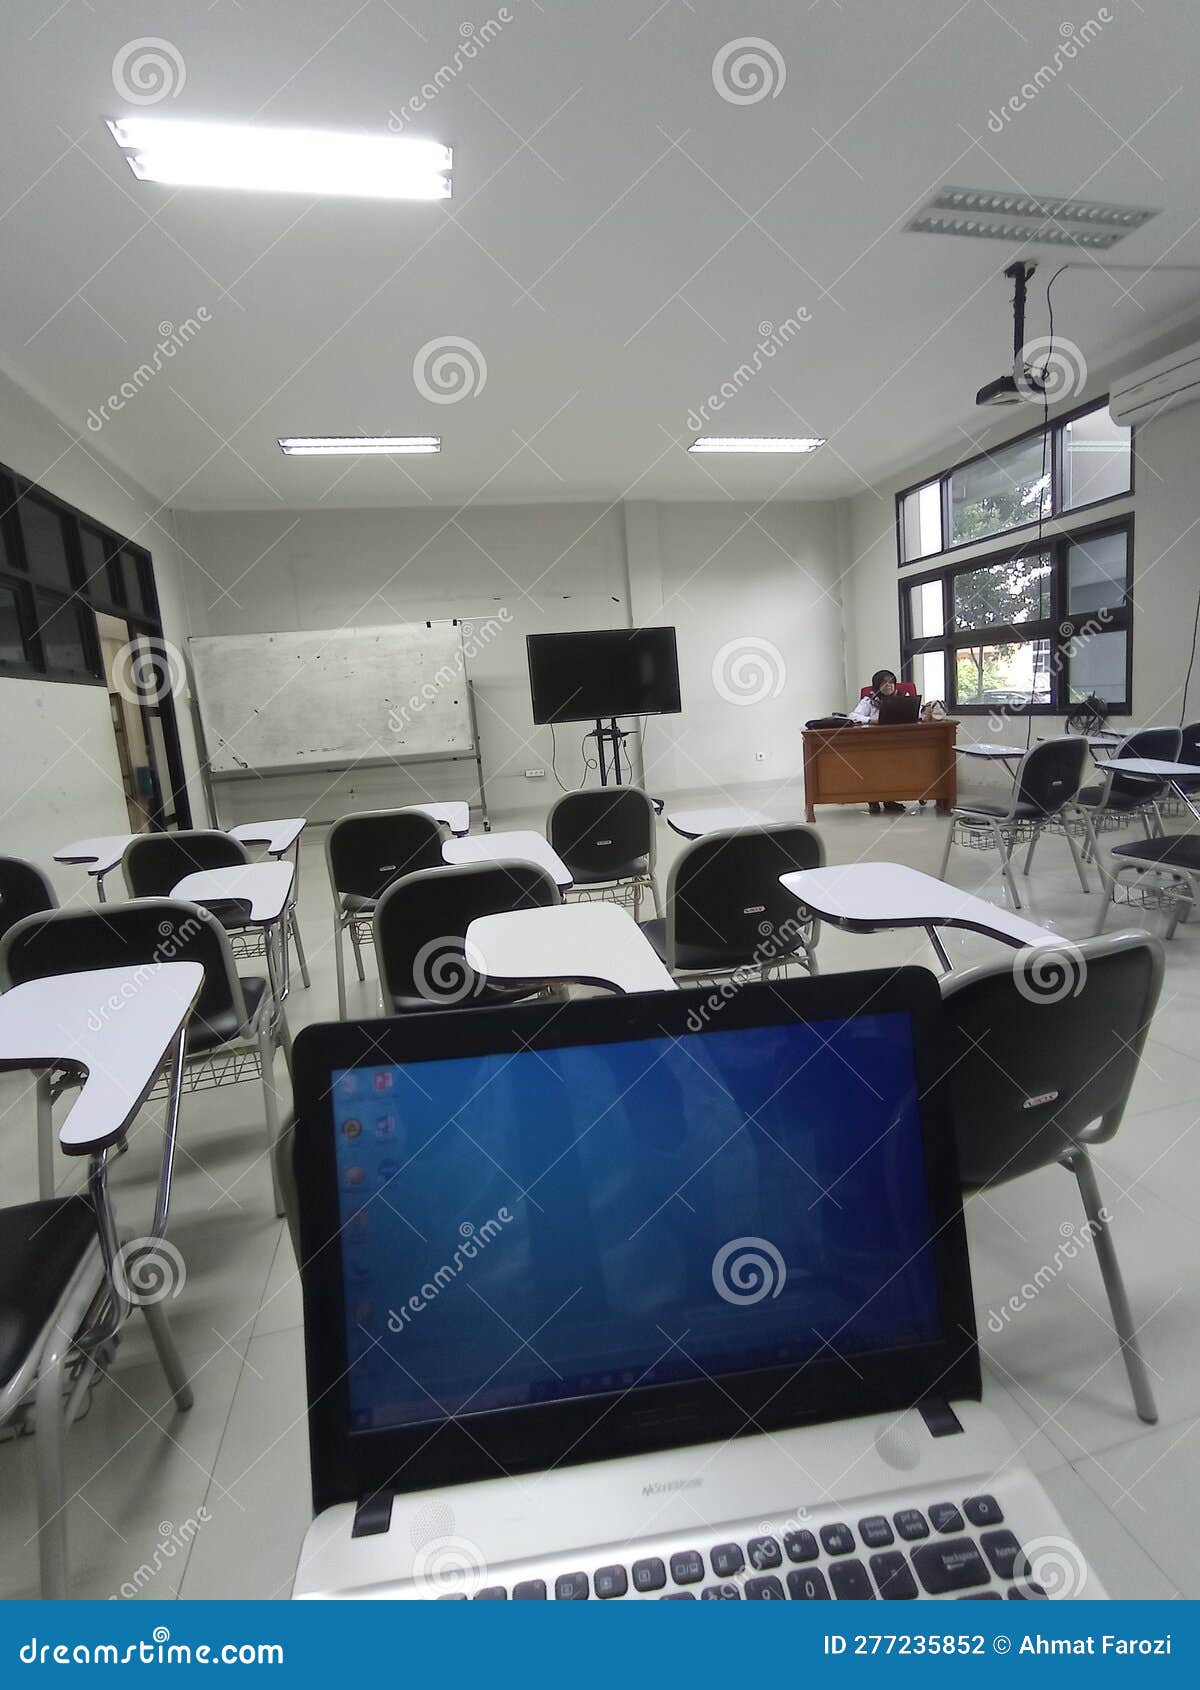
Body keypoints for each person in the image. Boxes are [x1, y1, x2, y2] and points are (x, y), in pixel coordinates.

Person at [850, 669, 906, 814]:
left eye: (892, 682)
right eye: (884, 683)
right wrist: (870, 720)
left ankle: (889, 800)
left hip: (898, 743)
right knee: (874, 769)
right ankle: (873, 800)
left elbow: (917, 714)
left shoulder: (903, 698)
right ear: (877, 686)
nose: (889, 686)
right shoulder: (869, 700)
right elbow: (853, 716)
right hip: (873, 744)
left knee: (894, 769)